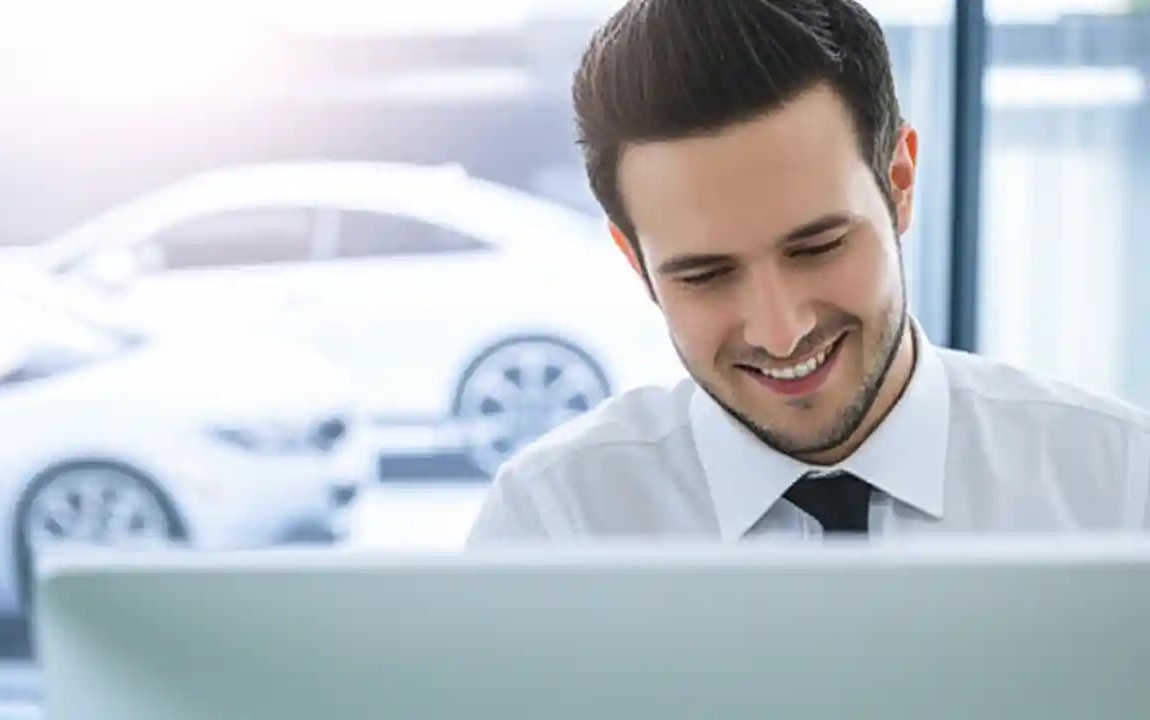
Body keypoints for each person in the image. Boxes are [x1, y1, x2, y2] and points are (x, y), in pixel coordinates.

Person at [467, 0, 1150, 544]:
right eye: (705, 276)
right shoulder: (551, 524)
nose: (781, 331)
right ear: (635, 263)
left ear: (900, 182)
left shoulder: (1120, 486)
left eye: (817, 247)